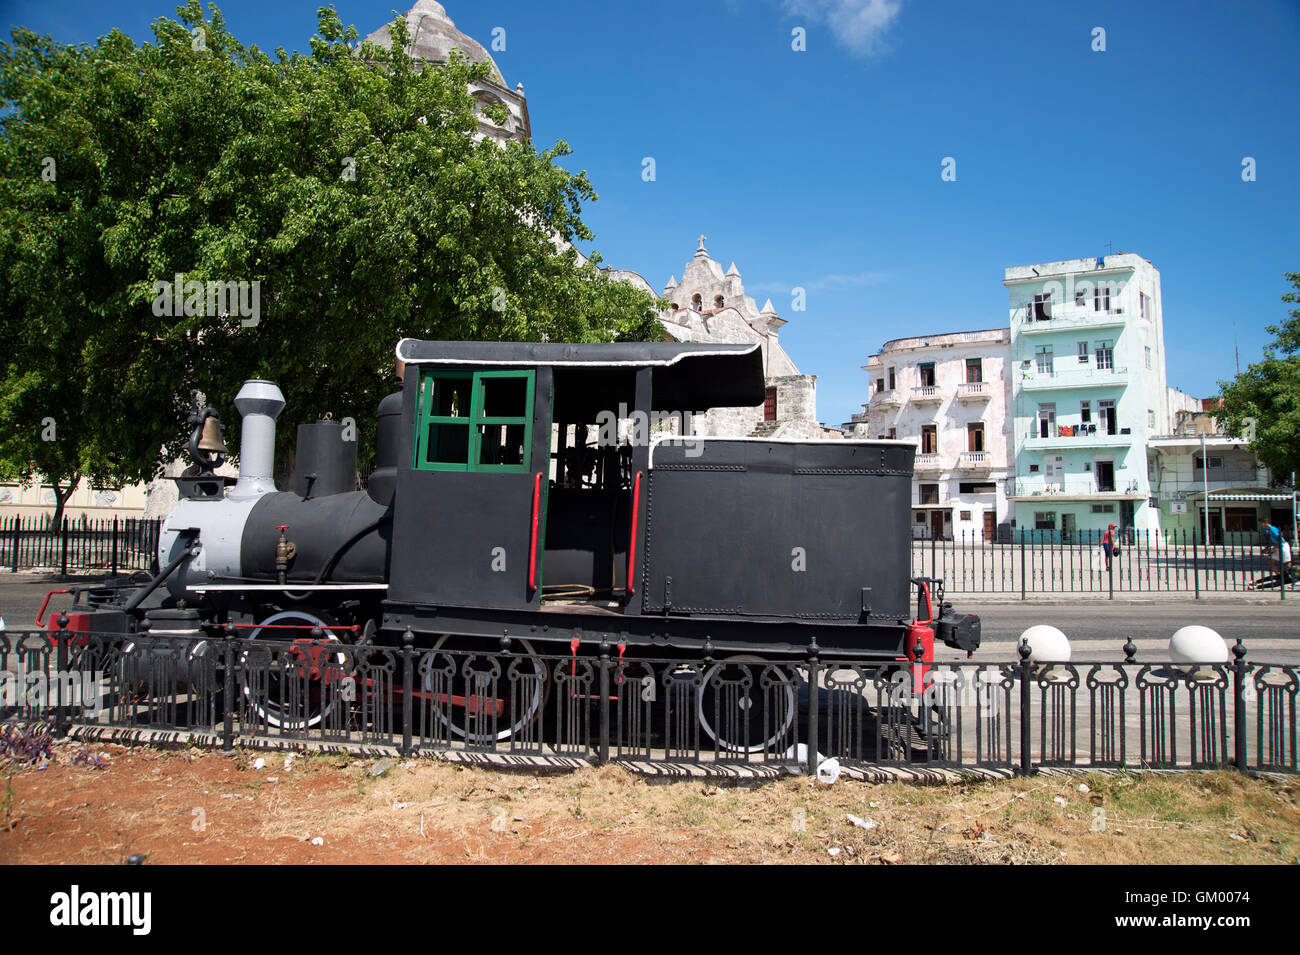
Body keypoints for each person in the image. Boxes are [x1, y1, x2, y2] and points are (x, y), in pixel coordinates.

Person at [1259, 519, 1293, 586]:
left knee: (1287, 563)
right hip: (1277, 547)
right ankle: (1279, 576)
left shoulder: (1273, 529)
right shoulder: (1267, 530)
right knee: (1270, 561)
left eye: (1261, 523)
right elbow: (1272, 540)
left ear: (1265, 523)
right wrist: (1267, 548)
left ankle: (1293, 577)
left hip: (1283, 546)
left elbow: (1280, 539)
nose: (1260, 525)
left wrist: (1273, 548)